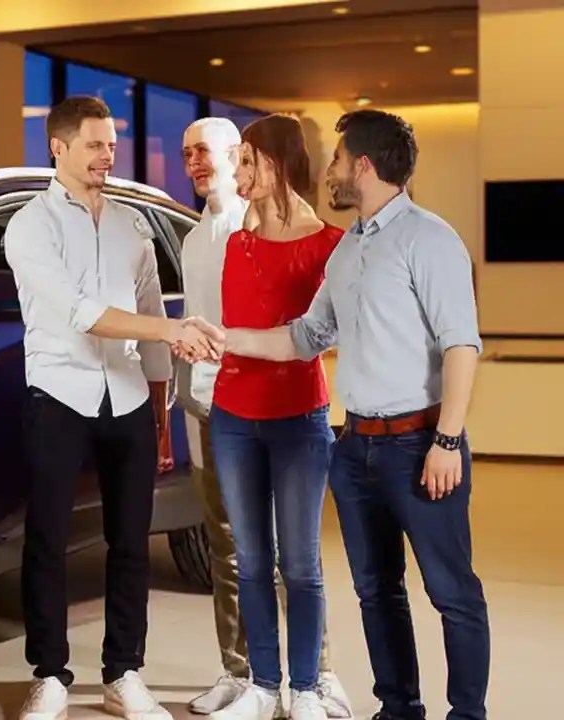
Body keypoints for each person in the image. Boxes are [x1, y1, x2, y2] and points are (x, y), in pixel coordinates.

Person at [223, 109, 491, 720]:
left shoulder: (430, 239)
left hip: (421, 446)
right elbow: (304, 336)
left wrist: (447, 441)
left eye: (340, 161)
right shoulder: (346, 253)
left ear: (364, 166)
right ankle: (398, 709)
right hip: (356, 448)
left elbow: (461, 345)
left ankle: (467, 716)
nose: (332, 172)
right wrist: (221, 337)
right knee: (376, 592)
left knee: (452, 593)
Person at [4, 95, 222, 720]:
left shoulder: (132, 227)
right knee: (46, 540)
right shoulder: (30, 226)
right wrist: (174, 333)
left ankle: (123, 674)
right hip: (59, 397)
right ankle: (48, 675)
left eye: (111, 143)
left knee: (130, 541)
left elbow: (151, 314)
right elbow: (82, 315)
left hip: (127, 398)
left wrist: (159, 415)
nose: (109, 154)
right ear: (59, 147)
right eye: (96, 144)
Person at [177, 117, 353, 719]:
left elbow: (310, 338)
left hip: (300, 417)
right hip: (231, 416)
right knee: (249, 560)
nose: (238, 174)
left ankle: (307, 686)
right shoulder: (235, 243)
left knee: (299, 562)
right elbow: (239, 318)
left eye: (248, 161)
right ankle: (263, 686)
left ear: (276, 163)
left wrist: (228, 342)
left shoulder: (330, 245)